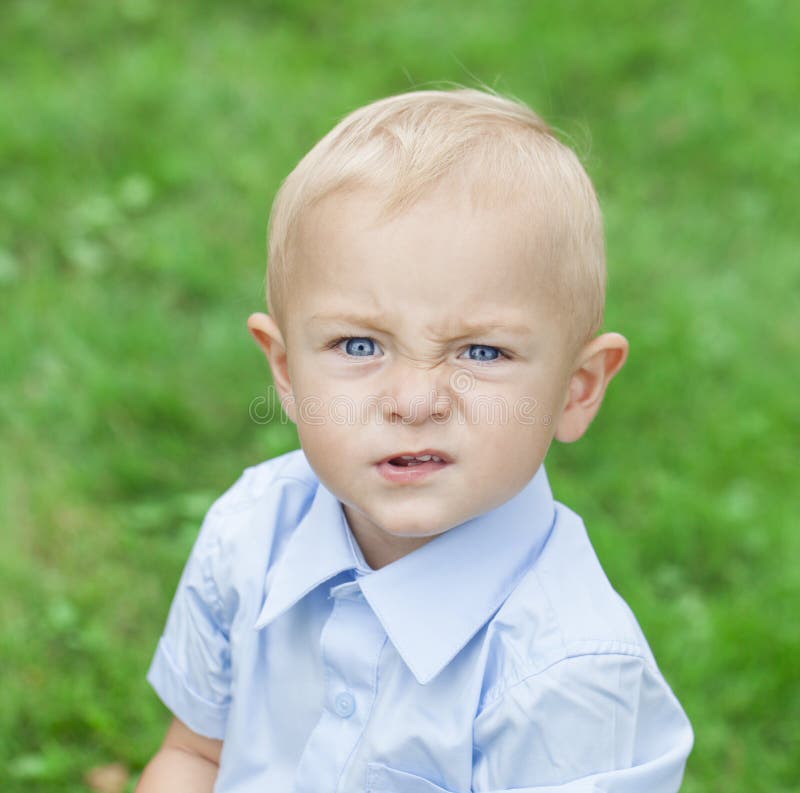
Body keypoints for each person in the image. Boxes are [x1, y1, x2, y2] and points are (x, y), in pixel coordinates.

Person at [135, 87, 693, 792]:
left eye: (482, 352)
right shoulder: (250, 531)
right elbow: (196, 756)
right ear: (285, 369)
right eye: (359, 343)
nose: (414, 400)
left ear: (576, 389)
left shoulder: (570, 674)